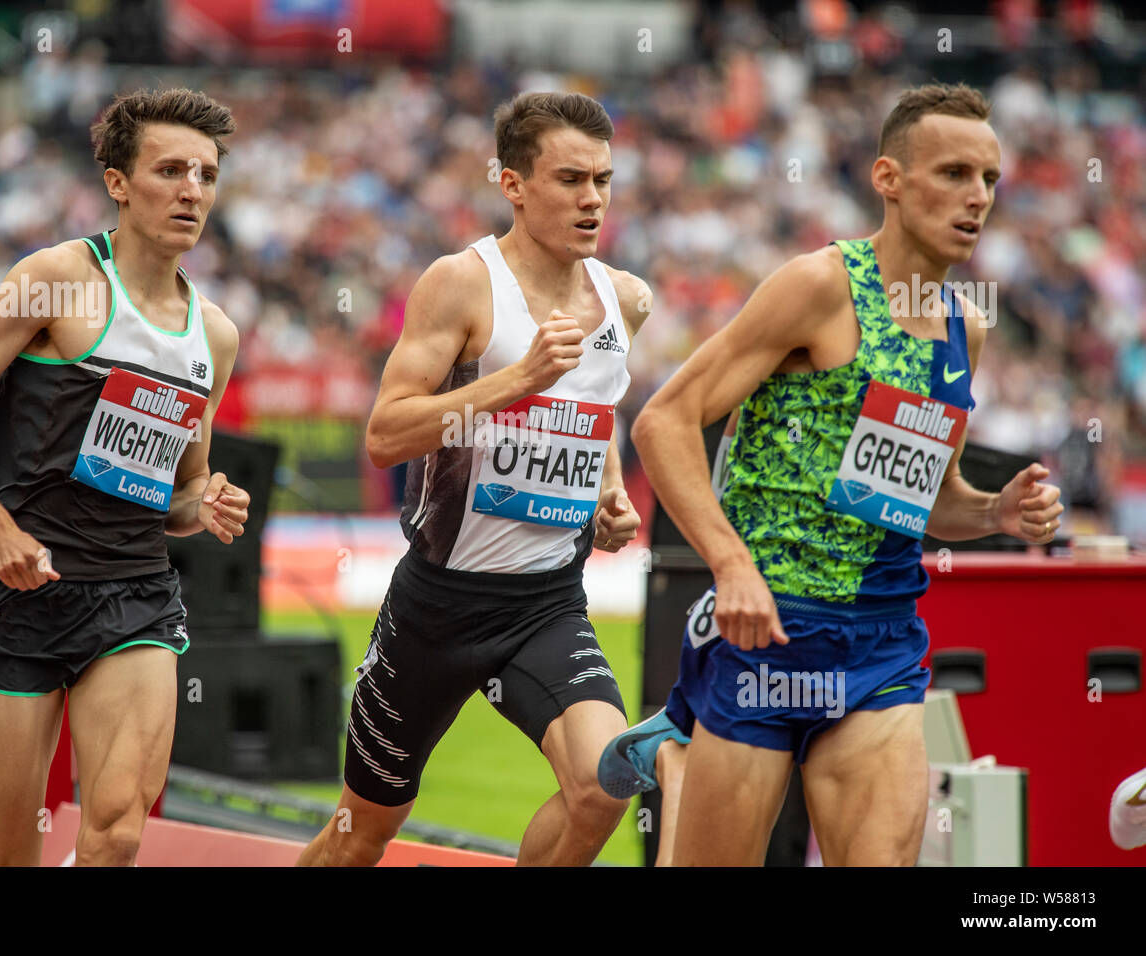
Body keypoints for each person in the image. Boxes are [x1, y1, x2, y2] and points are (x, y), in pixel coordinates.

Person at [600, 82, 1063, 866]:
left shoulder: (966, 327)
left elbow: (931, 499)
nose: (977, 198)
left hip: (881, 645)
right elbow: (665, 421)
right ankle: (682, 752)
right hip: (765, 633)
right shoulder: (820, 287)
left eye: (989, 180)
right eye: (952, 174)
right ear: (888, 178)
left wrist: (993, 515)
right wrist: (732, 568)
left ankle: (684, 738)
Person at [299, 91, 649, 866]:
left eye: (603, 179)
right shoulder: (461, 284)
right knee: (364, 830)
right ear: (514, 185)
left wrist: (608, 489)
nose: (592, 199)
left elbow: (600, 403)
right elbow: (386, 435)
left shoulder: (624, 298)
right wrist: (515, 379)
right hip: (438, 605)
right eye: (569, 180)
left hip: (546, 602)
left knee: (605, 782)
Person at [0, 88, 251, 866]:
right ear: (118, 183)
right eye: (169, 170)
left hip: (135, 593)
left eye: (206, 174)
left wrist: (208, 501)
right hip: (23, 591)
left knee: (118, 832)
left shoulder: (215, 336)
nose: (191, 190)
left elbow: (179, 493)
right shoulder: (58, 279)